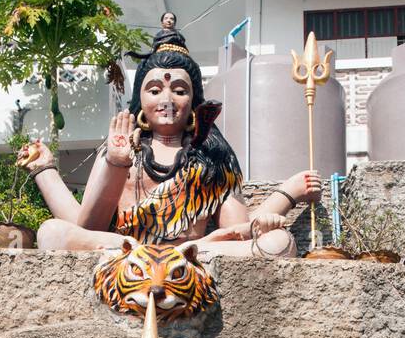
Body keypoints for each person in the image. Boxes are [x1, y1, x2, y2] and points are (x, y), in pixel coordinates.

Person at [24, 29, 321, 258]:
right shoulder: (122, 147)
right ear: (140, 99)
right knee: (51, 233)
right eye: (155, 91)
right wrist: (115, 162)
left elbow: (236, 232)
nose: (166, 99)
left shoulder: (212, 156)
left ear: (194, 100)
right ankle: (141, 253)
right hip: (127, 251)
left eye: (179, 90)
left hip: (192, 255)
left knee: (279, 243)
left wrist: (286, 195)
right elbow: (88, 229)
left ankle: (167, 256)